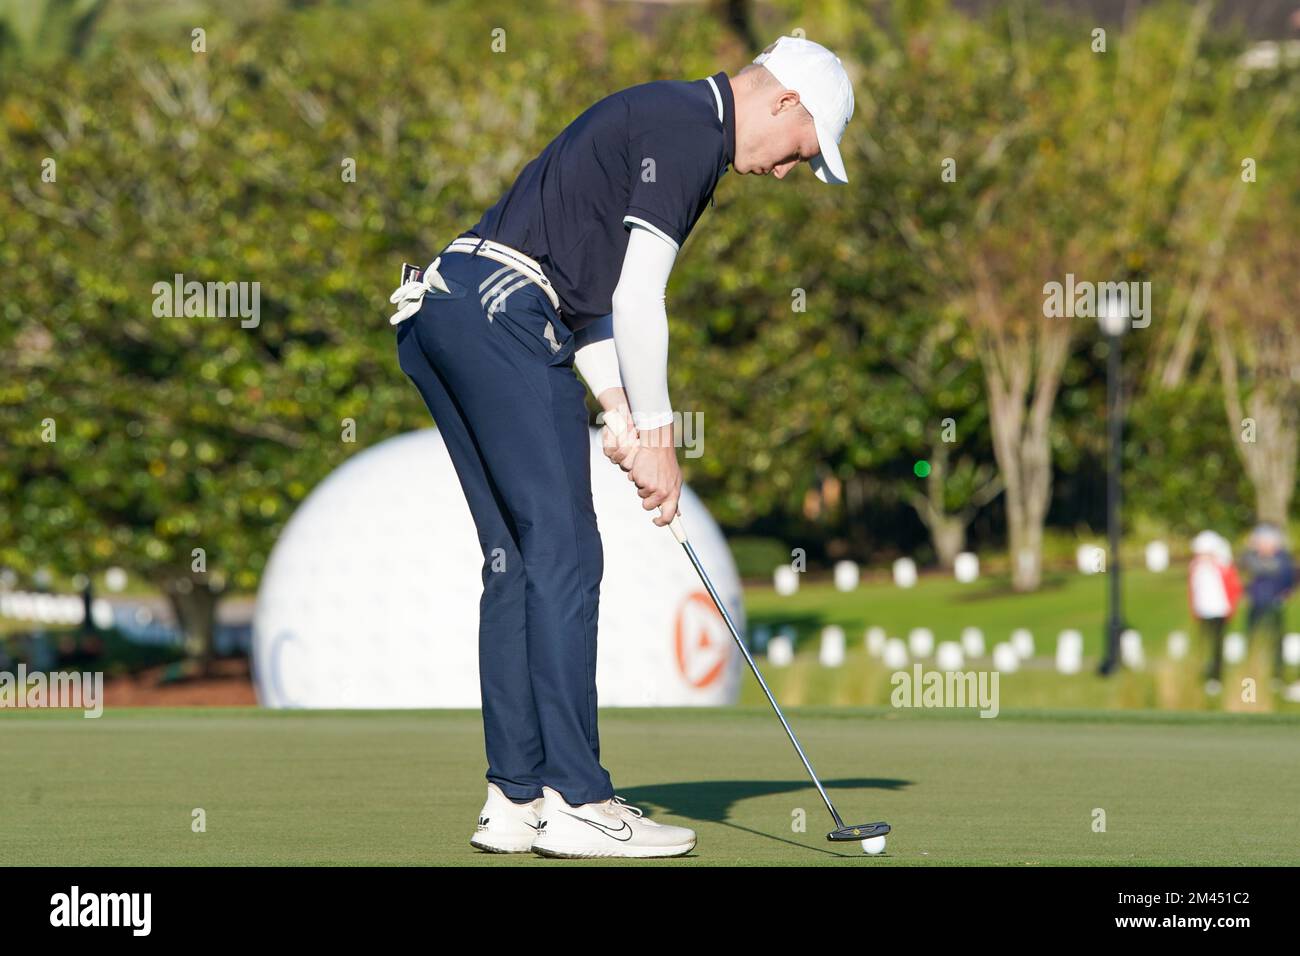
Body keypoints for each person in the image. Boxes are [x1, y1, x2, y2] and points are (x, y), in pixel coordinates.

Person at [388, 37, 855, 858]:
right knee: (566, 552)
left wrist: (617, 412)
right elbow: (640, 299)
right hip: (503, 315)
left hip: (449, 307)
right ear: (786, 104)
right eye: (803, 154)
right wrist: (665, 436)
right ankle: (579, 799)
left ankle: (516, 797)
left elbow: (588, 296)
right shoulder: (691, 134)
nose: (789, 175)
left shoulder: (667, 117)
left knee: (516, 560)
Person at [1241, 523, 1296, 690]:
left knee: (1276, 640)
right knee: (1253, 638)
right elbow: (1243, 574)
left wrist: (1286, 593)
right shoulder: (1250, 558)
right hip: (1256, 604)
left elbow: (1290, 578)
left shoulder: (1283, 560)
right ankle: (1253, 676)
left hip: (1273, 605)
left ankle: (1276, 676)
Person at [1188, 531, 1241, 695]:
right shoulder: (1196, 568)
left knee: (1217, 645)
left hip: (1219, 611)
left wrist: (1231, 608)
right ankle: (1204, 674)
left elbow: (1234, 588)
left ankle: (1216, 677)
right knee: (1204, 644)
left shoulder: (1223, 568)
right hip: (1203, 611)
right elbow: (1193, 591)